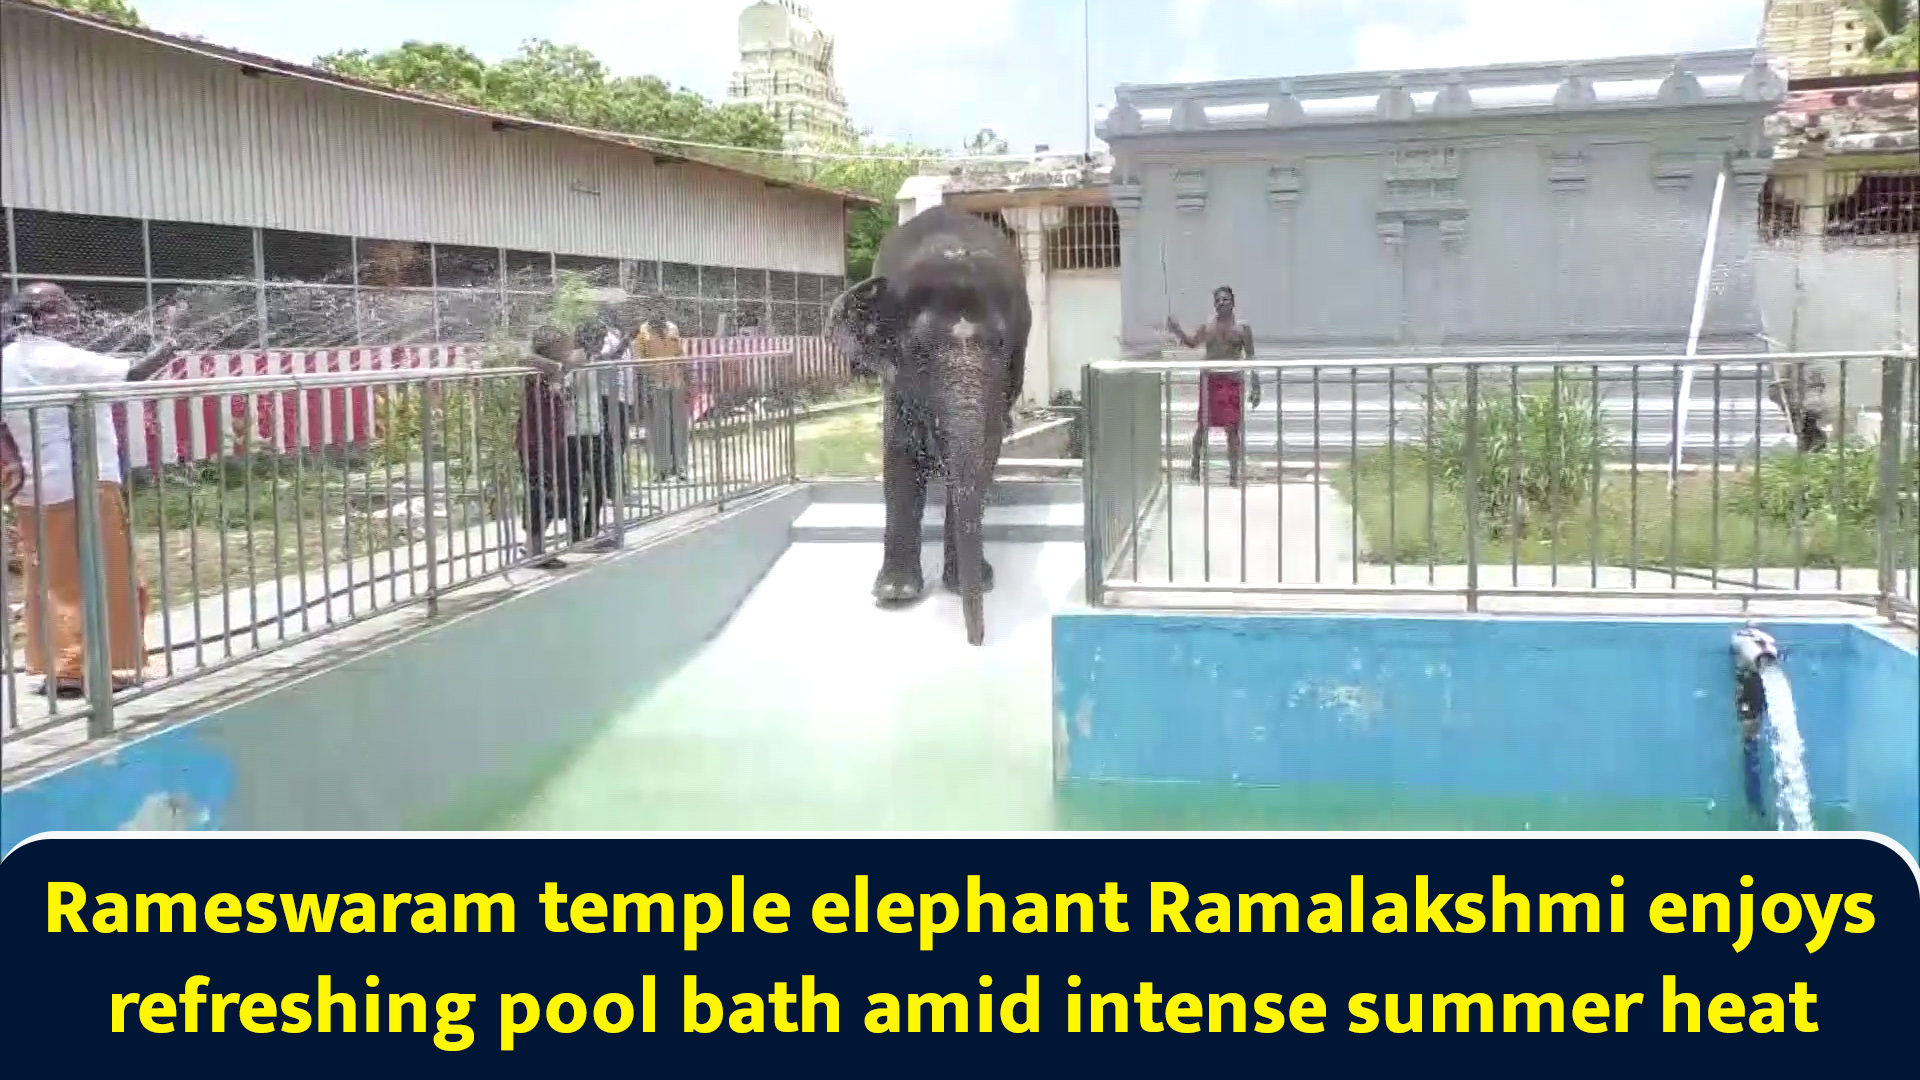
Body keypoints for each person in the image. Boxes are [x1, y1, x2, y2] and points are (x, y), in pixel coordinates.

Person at [1, 282, 179, 698]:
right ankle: (91, 668)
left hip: (33, 485)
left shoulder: (6, 359)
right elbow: (134, 373)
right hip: (83, 483)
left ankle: (63, 665)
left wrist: (11, 465)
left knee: (50, 577)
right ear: (40, 317)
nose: (73, 315)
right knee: (103, 572)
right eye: (61, 308)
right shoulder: (57, 357)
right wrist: (172, 339)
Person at [1167, 285, 1260, 487]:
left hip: (1232, 382)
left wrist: (1256, 387)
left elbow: (1251, 357)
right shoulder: (1207, 327)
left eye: (1225, 300)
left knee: (1233, 430)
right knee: (1202, 427)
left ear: (1233, 303)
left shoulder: (1243, 329)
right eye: (1217, 300)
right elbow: (1192, 343)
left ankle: (1234, 474)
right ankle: (1194, 468)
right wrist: (1178, 330)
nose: (1221, 303)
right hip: (1210, 382)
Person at [515, 326, 576, 570]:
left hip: (552, 440)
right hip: (535, 442)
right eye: (563, 346)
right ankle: (534, 550)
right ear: (550, 348)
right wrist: (557, 368)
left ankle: (536, 548)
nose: (567, 351)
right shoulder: (534, 369)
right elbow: (521, 356)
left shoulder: (552, 373)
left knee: (550, 495)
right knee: (539, 495)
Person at [636, 312, 691, 482]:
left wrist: (687, 378)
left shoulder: (673, 328)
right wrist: (646, 382)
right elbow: (640, 360)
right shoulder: (643, 331)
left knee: (679, 426)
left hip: (675, 382)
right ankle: (661, 470)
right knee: (659, 428)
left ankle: (681, 467)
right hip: (656, 384)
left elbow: (680, 355)